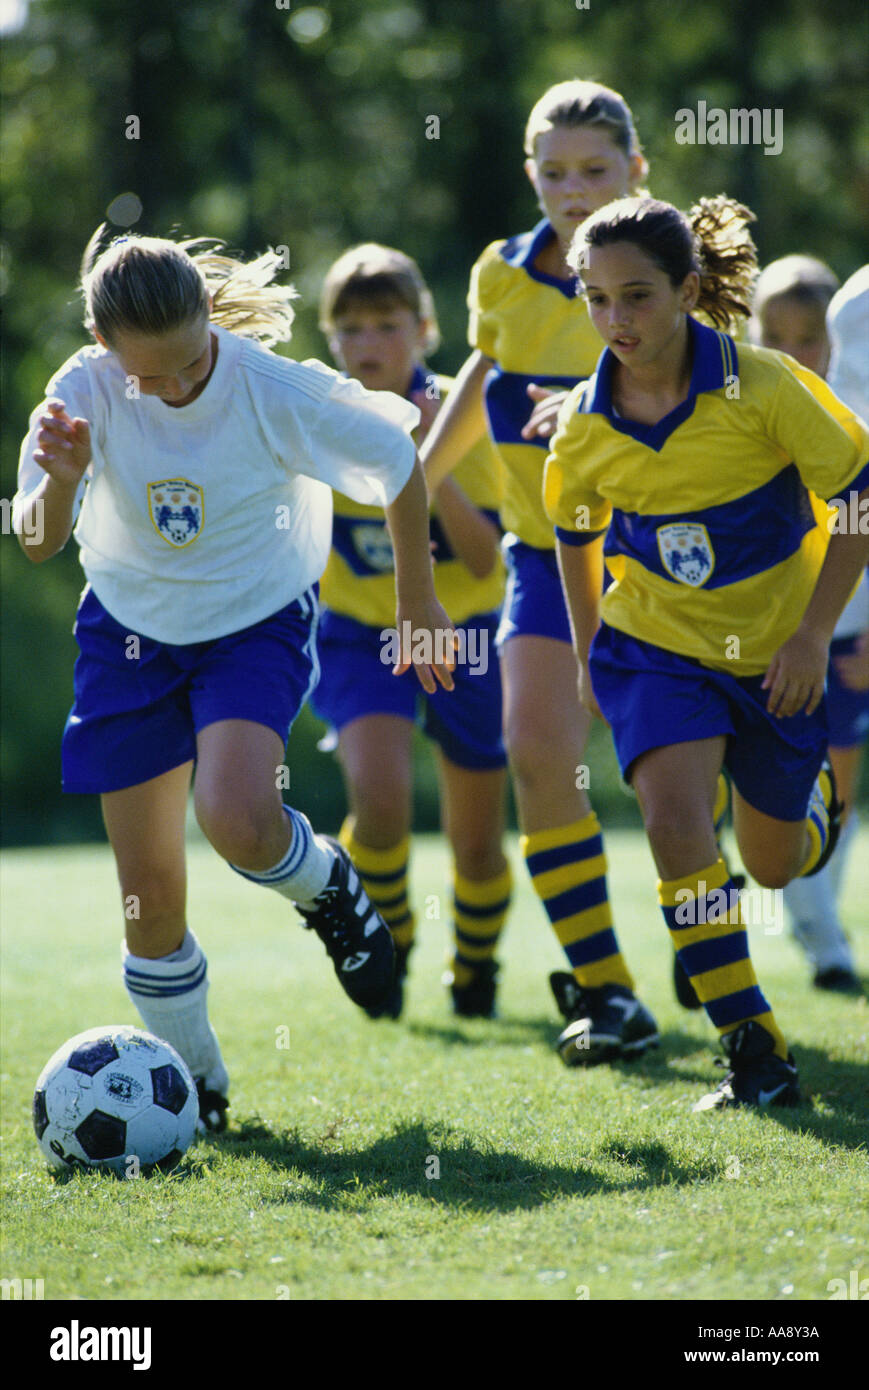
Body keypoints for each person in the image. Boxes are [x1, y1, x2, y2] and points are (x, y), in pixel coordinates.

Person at [13, 228, 455, 1132]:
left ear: (210, 317)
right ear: (103, 347)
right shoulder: (78, 394)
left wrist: (419, 606)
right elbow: (37, 537)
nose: (175, 388)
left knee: (241, 822)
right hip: (127, 633)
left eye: (189, 364)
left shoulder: (272, 387)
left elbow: (399, 463)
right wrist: (58, 482)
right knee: (147, 897)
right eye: (151, 376)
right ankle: (200, 1086)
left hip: (254, 620)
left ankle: (330, 891)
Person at [543, 194, 869, 1109]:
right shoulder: (582, 421)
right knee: (674, 825)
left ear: (688, 291)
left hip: (777, 657)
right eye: (597, 299)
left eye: (637, 296)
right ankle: (753, 1053)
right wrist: (584, 651)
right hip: (653, 649)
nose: (617, 320)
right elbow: (573, 531)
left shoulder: (763, 387)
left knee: (770, 867)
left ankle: (811, 813)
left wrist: (811, 636)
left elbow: (857, 500)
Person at [420, 79, 661, 1065]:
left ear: (634, 171)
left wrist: (594, 413)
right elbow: (488, 368)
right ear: (531, 176)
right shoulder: (499, 275)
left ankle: (711, 909)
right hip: (538, 550)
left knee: (681, 767)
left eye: (594, 169)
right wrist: (421, 465)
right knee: (534, 750)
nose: (572, 188)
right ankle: (607, 991)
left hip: (669, 553)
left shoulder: (671, 268)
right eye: (553, 171)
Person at [313, 243, 511, 1018]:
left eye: (386, 325)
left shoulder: (461, 411)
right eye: (350, 328)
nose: (368, 344)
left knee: (474, 840)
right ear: (331, 339)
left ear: (424, 329)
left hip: (465, 633)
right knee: (382, 800)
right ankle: (385, 945)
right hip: (362, 634)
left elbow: (483, 555)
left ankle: (475, 969)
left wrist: (430, 463)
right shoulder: (320, 415)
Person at [749, 256, 868, 992]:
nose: (795, 353)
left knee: (837, 789)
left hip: (849, 634)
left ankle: (823, 933)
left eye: (810, 337)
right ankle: (811, 935)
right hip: (759, 636)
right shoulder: (741, 414)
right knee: (768, 783)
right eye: (776, 335)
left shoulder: (853, 422)